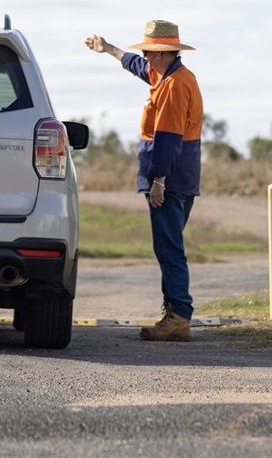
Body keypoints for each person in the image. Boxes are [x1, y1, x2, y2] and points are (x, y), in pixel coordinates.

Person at [84, 20, 203, 342]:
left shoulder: (174, 86)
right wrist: (108, 49)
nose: (146, 58)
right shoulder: (170, 75)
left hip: (171, 178)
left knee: (169, 248)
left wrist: (159, 180)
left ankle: (179, 316)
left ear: (164, 53)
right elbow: (135, 66)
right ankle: (175, 314)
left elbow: (167, 137)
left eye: (151, 53)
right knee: (169, 245)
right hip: (181, 175)